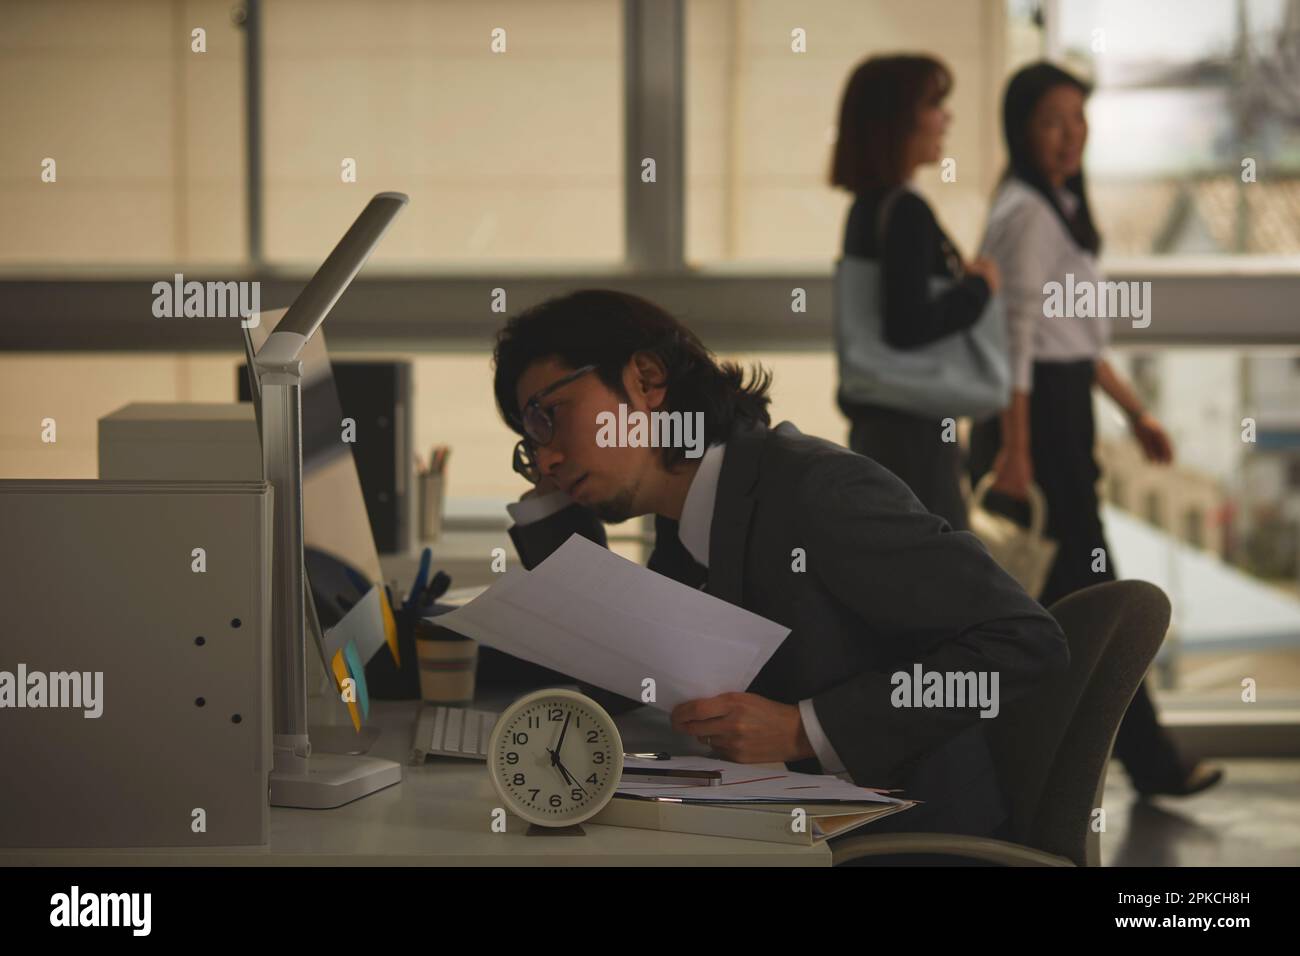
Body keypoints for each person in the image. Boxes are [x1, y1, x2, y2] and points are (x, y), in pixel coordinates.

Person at [491, 288, 1069, 838]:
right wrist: (549, 515)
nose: (546, 459)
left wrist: (803, 728)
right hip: (783, 829)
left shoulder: (814, 489)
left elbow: (1022, 640)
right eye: (529, 443)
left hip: (899, 843)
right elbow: (619, 680)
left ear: (646, 380)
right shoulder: (686, 526)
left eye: (550, 415)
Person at [969, 61, 1222, 798]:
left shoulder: (1057, 207)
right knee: (1094, 598)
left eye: (1079, 121)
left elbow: (1075, 338)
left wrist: (1134, 411)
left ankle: (1072, 765)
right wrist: (1017, 451)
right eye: (1054, 120)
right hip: (1035, 426)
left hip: (1060, 411)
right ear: (1021, 128)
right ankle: (1143, 762)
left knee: (1072, 601)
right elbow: (1017, 341)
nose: (1071, 136)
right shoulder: (1024, 211)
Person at [829, 54, 1001, 531]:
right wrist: (979, 288)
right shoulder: (905, 209)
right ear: (898, 118)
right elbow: (907, 324)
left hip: (882, 427)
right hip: (916, 433)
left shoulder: (867, 206)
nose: (947, 117)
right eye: (935, 103)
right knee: (945, 573)